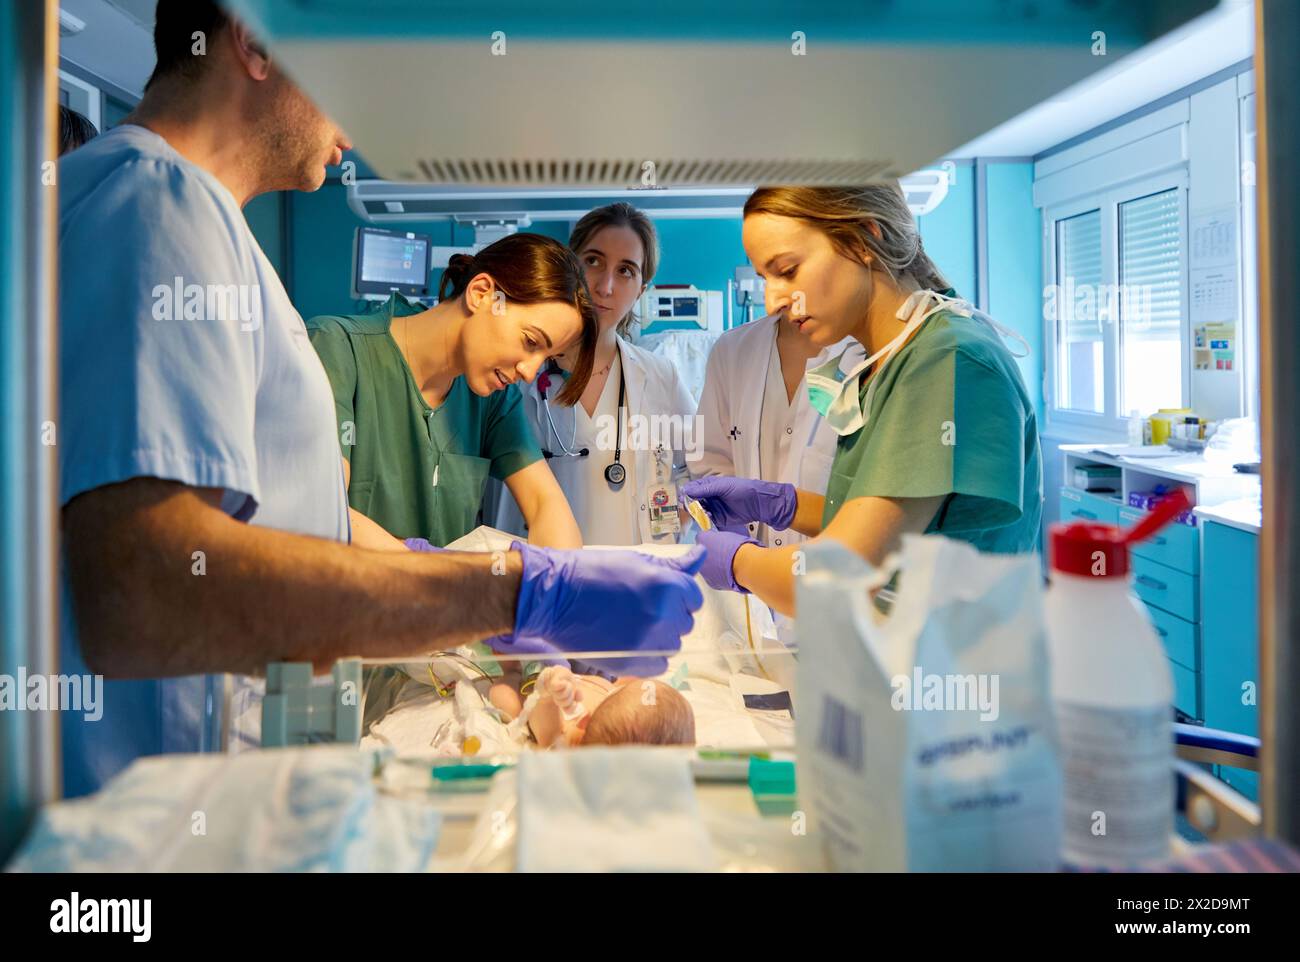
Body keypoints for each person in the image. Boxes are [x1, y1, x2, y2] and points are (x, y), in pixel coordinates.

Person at [56, 0, 703, 796]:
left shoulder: (206, 233)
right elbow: (146, 591)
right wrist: (510, 594)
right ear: (256, 43)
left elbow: (268, 525)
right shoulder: (156, 209)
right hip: (154, 806)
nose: (357, 128)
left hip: (226, 775)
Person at [684, 184, 1042, 615]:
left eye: (788, 270)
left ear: (862, 240)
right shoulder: (892, 359)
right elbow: (889, 524)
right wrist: (785, 503)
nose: (773, 301)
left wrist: (741, 562)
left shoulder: (946, 359)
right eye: (764, 277)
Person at [307, 234, 590, 549]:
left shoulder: (495, 401)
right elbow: (323, 511)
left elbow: (546, 507)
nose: (528, 371)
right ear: (481, 294)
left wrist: (557, 577)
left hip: (445, 595)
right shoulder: (337, 349)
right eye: (530, 342)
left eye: (545, 358)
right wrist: (434, 570)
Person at [494, 203, 696, 545]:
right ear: (570, 265)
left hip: (633, 577)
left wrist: (670, 520)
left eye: (626, 271)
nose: (605, 286)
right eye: (593, 261)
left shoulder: (660, 377)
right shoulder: (516, 371)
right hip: (539, 575)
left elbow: (705, 468)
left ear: (641, 291)